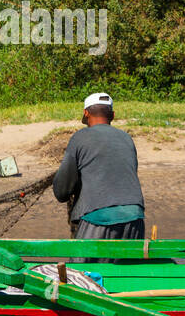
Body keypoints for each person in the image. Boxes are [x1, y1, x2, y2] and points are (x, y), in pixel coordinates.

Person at [52, 92, 145, 240]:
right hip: (135, 218)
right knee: (128, 262)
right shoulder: (126, 138)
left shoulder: (80, 137)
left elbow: (62, 192)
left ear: (86, 113)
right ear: (112, 115)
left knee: (82, 264)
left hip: (98, 218)